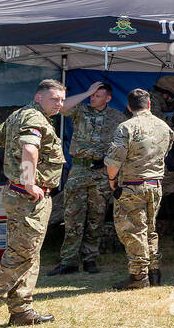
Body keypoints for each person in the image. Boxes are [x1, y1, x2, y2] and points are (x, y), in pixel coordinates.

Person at [0, 78, 67, 328]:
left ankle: (21, 308)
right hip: (28, 198)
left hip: (22, 196)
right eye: (54, 99)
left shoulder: (19, 115)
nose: (59, 104)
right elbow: (30, 149)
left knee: (29, 253)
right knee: (19, 256)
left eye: (62, 100)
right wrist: (31, 182)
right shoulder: (34, 118)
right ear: (39, 97)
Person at [51, 80, 122, 276]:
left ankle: (90, 258)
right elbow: (62, 107)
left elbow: (123, 143)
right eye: (92, 95)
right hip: (79, 169)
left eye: (97, 95)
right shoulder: (80, 110)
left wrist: (109, 162)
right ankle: (69, 260)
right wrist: (86, 91)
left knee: (96, 217)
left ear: (108, 98)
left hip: (101, 172)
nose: (93, 98)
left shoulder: (116, 117)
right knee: (72, 216)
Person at [106, 89, 174, 290]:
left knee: (133, 229)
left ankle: (138, 276)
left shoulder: (126, 127)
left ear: (129, 107)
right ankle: (154, 272)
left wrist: (112, 179)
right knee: (151, 229)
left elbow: (113, 160)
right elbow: (165, 153)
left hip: (132, 185)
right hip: (155, 184)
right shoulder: (164, 127)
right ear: (149, 105)